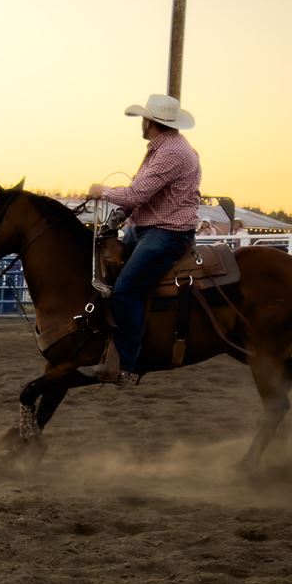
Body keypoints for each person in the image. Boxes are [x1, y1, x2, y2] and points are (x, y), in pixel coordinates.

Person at [78, 92, 202, 383]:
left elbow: (136, 193)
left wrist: (103, 192)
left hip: (168, 232)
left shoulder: (172, 153)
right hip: (147, 227)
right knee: (104, 270)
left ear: (150, 122)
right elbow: (141, 192)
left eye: (144, 118)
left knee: (126, 290)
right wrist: (119, 215)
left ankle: (125, 363)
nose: (142, 123)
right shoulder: (162, 148)